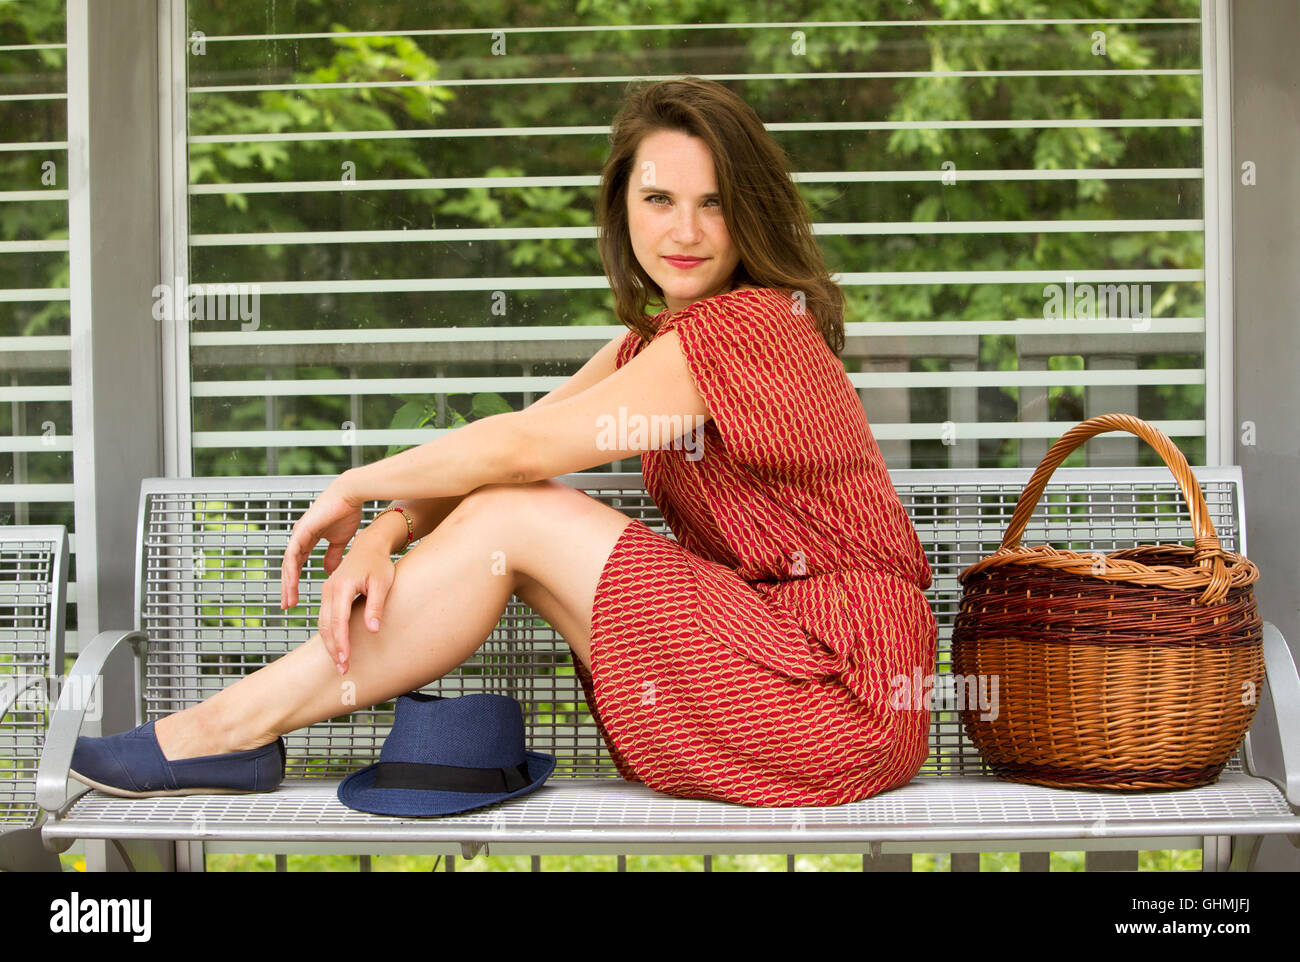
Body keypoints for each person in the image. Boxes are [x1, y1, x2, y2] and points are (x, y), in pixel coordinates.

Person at [69, 77, 936, 807]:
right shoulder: (654, 343)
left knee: (518, 509)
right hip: (753, 669)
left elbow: (523, 454)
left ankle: (222, 732)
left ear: (747, 212)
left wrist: (356, 484)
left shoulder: (751, 329)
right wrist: (388, 526)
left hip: (837, 690)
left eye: (714, 204)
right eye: (659, 199)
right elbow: (515, 436)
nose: (685, 231)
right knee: (508, 506)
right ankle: (222, 735)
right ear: (621, 208)